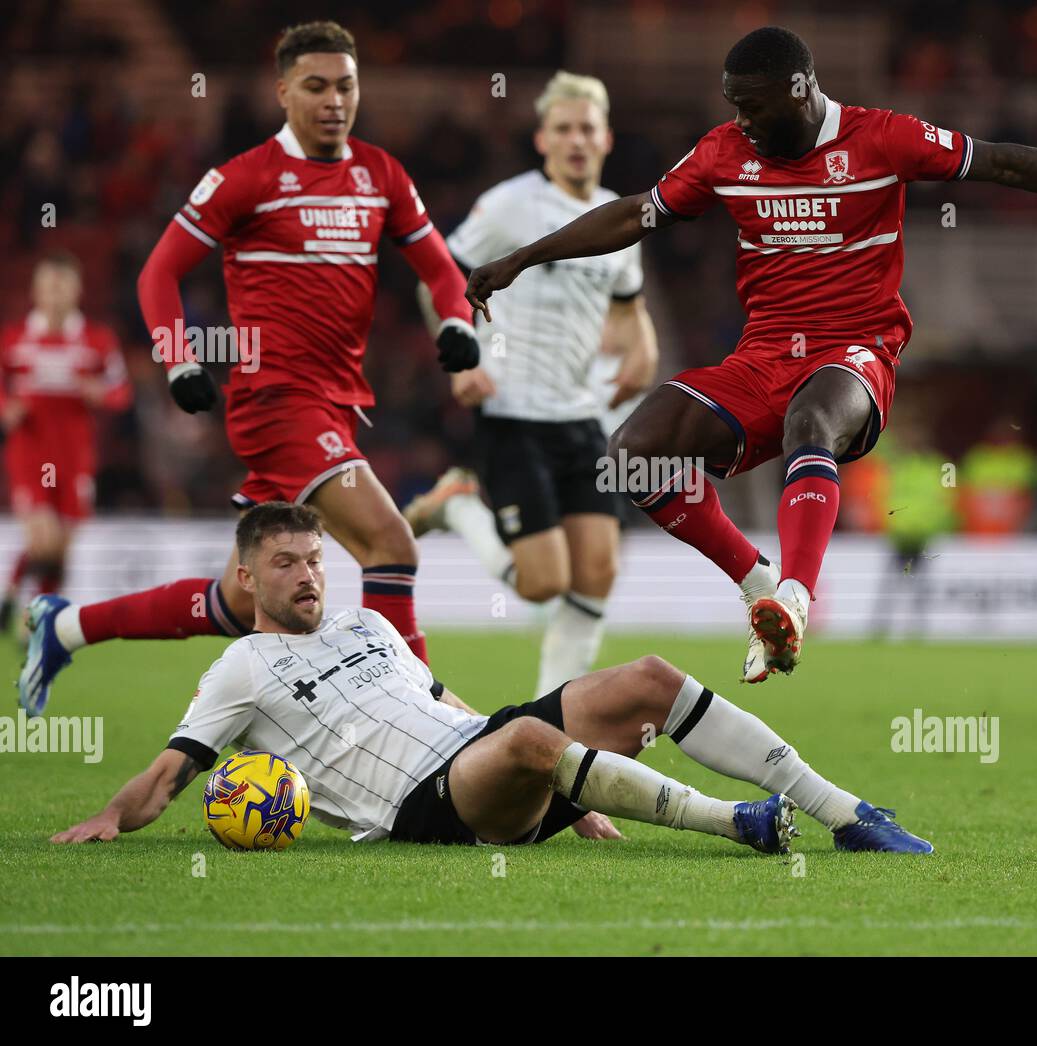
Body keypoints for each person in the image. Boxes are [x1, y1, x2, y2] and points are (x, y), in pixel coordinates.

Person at [464, 25, 1037, 682]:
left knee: (811, 419)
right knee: (634, 451)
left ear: (800, 89)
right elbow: (635, 214)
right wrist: (521, 259)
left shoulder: (883, 137)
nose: (742, 120)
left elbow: (1003, 162)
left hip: (857, 352)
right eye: (734, 105)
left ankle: (796, 597)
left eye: (754, 104)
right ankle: (757, 580)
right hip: (761, 358)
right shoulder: (725, 152)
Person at [19, 21, 479, 716]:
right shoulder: (246, 177)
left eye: (346, 86)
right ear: (283, 92)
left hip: (338, 404)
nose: (334, 101)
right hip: (276, 402)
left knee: (236, 602)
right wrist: (179, 362)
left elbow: (442, 270)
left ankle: (65, 625)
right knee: (393, 544)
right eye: (316, 86)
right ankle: (423, 725)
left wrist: (455, 324)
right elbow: (159, 274)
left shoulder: (381, 174)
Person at [51, 501, 932, 855]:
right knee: (531, 738)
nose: (309, 576)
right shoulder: (240, 666)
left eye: (316, 559)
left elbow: (445, 702)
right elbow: (173, 769)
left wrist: (576, 795)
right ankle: (740, 826)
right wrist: (108, 816)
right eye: (286, 564)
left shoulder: (366, 624)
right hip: (425, 809)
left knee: (648, 678)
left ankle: (846, 815)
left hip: (483, 749)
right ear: (247, 578)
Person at [405, 71, 658, 698]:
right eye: (564, 129)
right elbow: (437, 277)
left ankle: (556, 721)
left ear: (606, 138)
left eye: (587, 129)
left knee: (597, 571)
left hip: (583, 416)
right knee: (543, 581)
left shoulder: (622, 218)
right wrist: (461, 358)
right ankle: (458, 506)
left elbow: (628, 304)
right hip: (512, 409)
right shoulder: (508, 207)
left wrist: (644, 345)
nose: (576, 140)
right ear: (543, 139)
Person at [0, 252, 133, 631]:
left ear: (76, 290)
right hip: (31, 451)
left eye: (62, 286)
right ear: (35, 290)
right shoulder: (14, 339)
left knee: (60, 549)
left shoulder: (97, 340)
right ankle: (35, 624)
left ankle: (14, 595)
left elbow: (121, 390)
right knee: (43, 538)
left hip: (75, 454)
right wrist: (7, 407)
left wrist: (100, 394)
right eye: (48, 286)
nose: (55, 294)